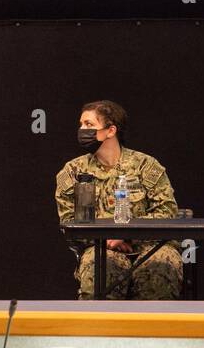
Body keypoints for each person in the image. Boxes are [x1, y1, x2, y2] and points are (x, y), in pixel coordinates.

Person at [53, 100, 182, 300]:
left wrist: (127, 234)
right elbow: (69, 221)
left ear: (110, 130)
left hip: (151, 245)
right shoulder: (73, 171)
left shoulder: (145, 165)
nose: (82, 130)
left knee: (161, 266)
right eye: (81, 125)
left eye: (89, 124)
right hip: (101, 247)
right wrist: (109, 239)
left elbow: (166, 213)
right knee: (100, 267)